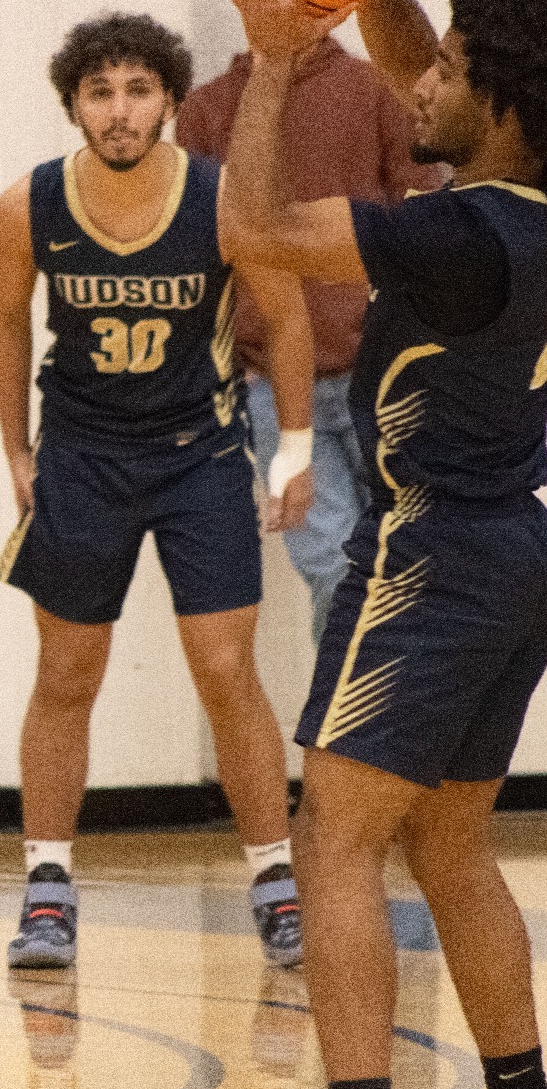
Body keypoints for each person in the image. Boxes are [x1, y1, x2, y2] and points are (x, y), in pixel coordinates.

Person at [215, 0, 547, 1089]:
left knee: (331, 839)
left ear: (499, 105)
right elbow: (419, 71)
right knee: (449, 843)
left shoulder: (455, 236)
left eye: (451, 68)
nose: (422, 80)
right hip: (516, 555)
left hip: (430, 555)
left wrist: (274, 63)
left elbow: (251, 232)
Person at [0, 13, 317, 973]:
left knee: (225, 668)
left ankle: (275, 879)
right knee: (67, 670)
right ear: (73, 106)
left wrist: (296, 447)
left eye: (138, 90)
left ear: (170, 99)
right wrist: (14, 448)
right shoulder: (27, 206)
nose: (120, 111)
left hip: (197, 456)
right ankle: (48, 888)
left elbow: (288, 318)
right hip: (82, 457)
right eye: (100, 92)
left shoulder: (221, 198)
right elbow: (4, 322)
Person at [177, 33, 441, 645]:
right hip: (271, 390)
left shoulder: (375, 89)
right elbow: (199, 257)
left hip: (381, 379)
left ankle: (388, 702)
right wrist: (225, 369)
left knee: (409, 566)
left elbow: (426, 220)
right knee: (337, 570)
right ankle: (344, 706)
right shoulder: (207, 109)